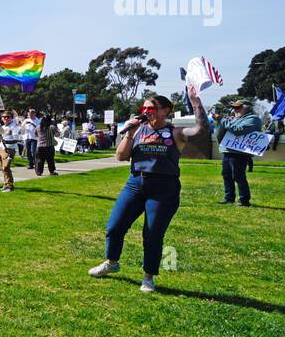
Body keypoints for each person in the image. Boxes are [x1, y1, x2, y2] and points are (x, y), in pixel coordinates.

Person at [90, 91, 209, 293]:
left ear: (165, 111)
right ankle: (112, 262)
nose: (146, 112)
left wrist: (196, 103)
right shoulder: (137, 130)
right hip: (136, 183)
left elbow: (201, 130)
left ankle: (148, 277)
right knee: (115, 226)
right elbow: (120, 156)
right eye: (143, 108)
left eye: (151, 108)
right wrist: (129, 132)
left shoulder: (175, 132)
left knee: (152, 234)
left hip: (164, 188)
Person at [216, 99, 262, 206]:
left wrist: (224, 120)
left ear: (247, 108)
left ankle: (244, 200)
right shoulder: (236, 118)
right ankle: (229, 197)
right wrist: (225, 121)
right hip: (228, 150)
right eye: (234, 107)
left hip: (240, 153)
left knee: (238, 176)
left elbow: (238, 130)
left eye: (238, 107)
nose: (235, 110)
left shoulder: (253, 119)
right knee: (226, 175)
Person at [0, 113, 16, 192]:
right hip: (1, 148)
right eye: (4, 117)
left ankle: (10, 185)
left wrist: (6, 141)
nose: (6, 118)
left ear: (11, 118)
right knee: (2, 167)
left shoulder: (14, 127)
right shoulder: (2, 127)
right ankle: (5, 184)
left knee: (6, 167)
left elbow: (16, 139)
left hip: (9, 149)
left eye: (8, 117)